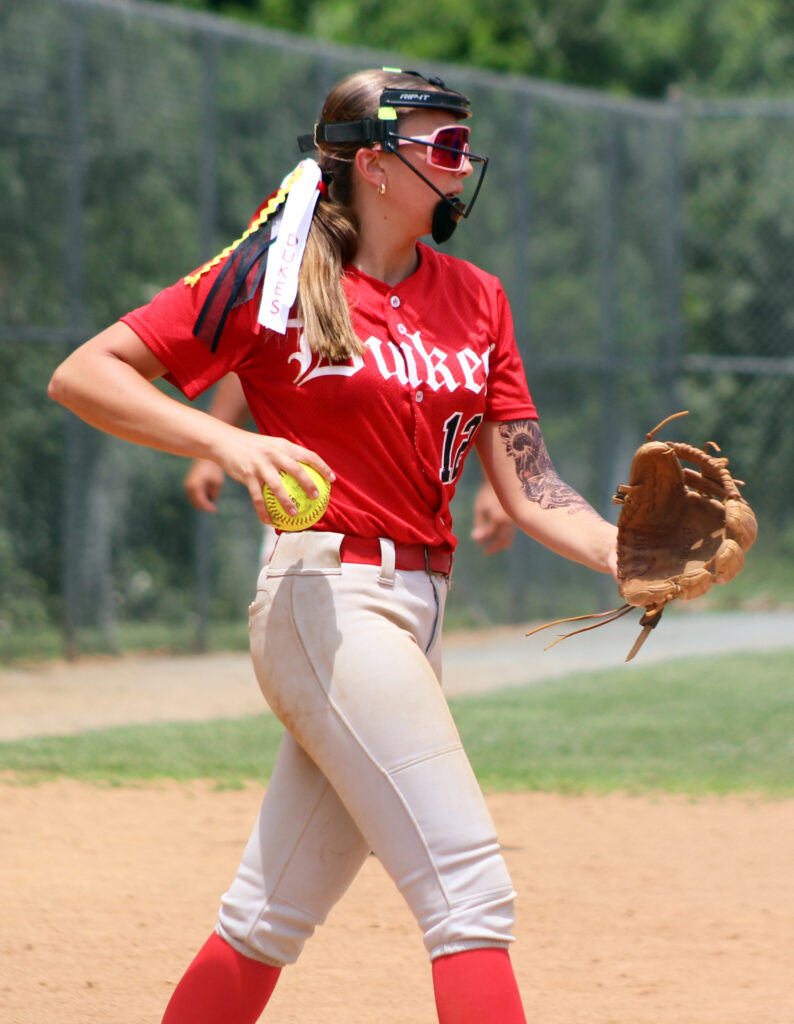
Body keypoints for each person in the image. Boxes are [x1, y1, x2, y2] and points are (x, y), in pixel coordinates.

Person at [49, 68, 617, 1024]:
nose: (461, 163)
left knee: (267, 918)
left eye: (464, 145)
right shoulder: (278, 272)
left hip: (412, 619)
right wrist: (228, 440)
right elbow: (84, 373)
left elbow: (533, 486)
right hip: (329, 602)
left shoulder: (479, 299)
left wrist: (625, 551)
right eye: (441, 145)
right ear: (374, 165)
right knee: (471, 896)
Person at [183, 372, 516, 558]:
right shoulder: (300, 276)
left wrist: (495, 482)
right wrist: (212, 450)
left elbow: (464, 384)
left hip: (409, 533)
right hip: (311, 515)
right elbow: (250, 364)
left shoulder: (434, 295)